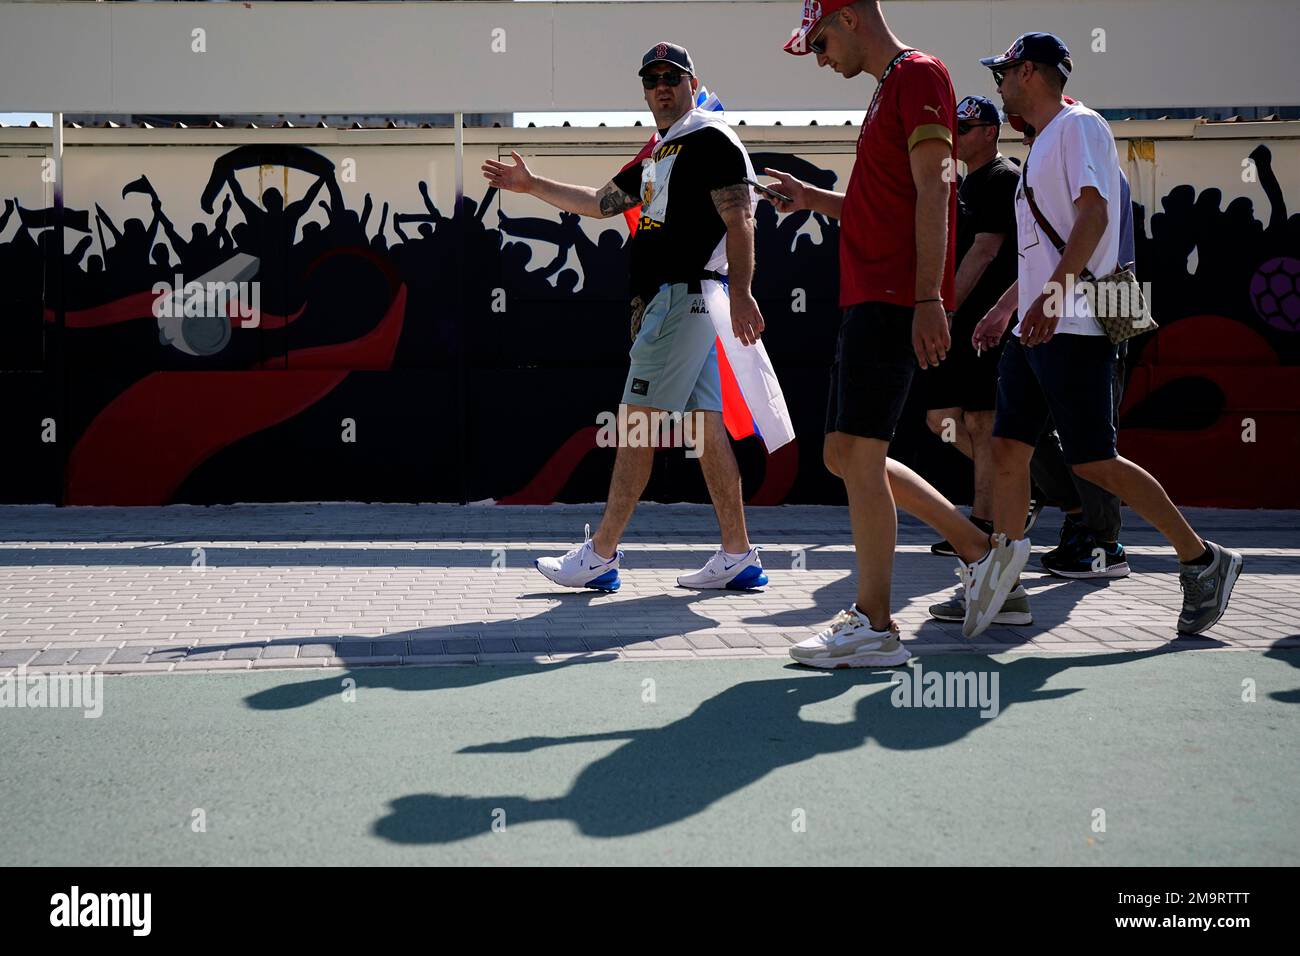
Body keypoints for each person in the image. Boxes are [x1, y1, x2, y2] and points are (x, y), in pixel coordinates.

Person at [764, 0, 1029, 668]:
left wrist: (925, 298)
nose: (820, 58)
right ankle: (978, 552)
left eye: (820, 41)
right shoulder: (894, 88)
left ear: (850, 16)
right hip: (871, 300)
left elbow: (936, 191)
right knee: (844, 455)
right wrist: (811, 198)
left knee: (855, 454)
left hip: (891, 299)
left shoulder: (917, 76)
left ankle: (877, 626)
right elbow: (881, 203)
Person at [976, 32, 1243, 635]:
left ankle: (1203, 560)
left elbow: (1093, 216)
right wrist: (1007, 309)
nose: (998, 80)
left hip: (1072, 326)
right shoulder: (1043, 142)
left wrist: (1046, 301)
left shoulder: (1079, 127)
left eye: (1004, 70)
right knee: (1007, 451)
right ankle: (1001, 584)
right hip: (1037, 325)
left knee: (1094, 460)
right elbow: (1043, 247)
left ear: (1032, 73)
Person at [482, 42, 770, 593]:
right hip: (678, 307)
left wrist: (744, 293)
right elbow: (599, 202)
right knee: (705, 427)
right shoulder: (664, 152)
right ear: (644, 89)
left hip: (679, 305)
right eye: (652, 78)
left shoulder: (710, 138)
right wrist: (531, 184)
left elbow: (742, 221)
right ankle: (738, 556)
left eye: (672, 76)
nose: (662, 85)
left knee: (635, 427)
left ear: (692, 82)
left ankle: (602, 554)